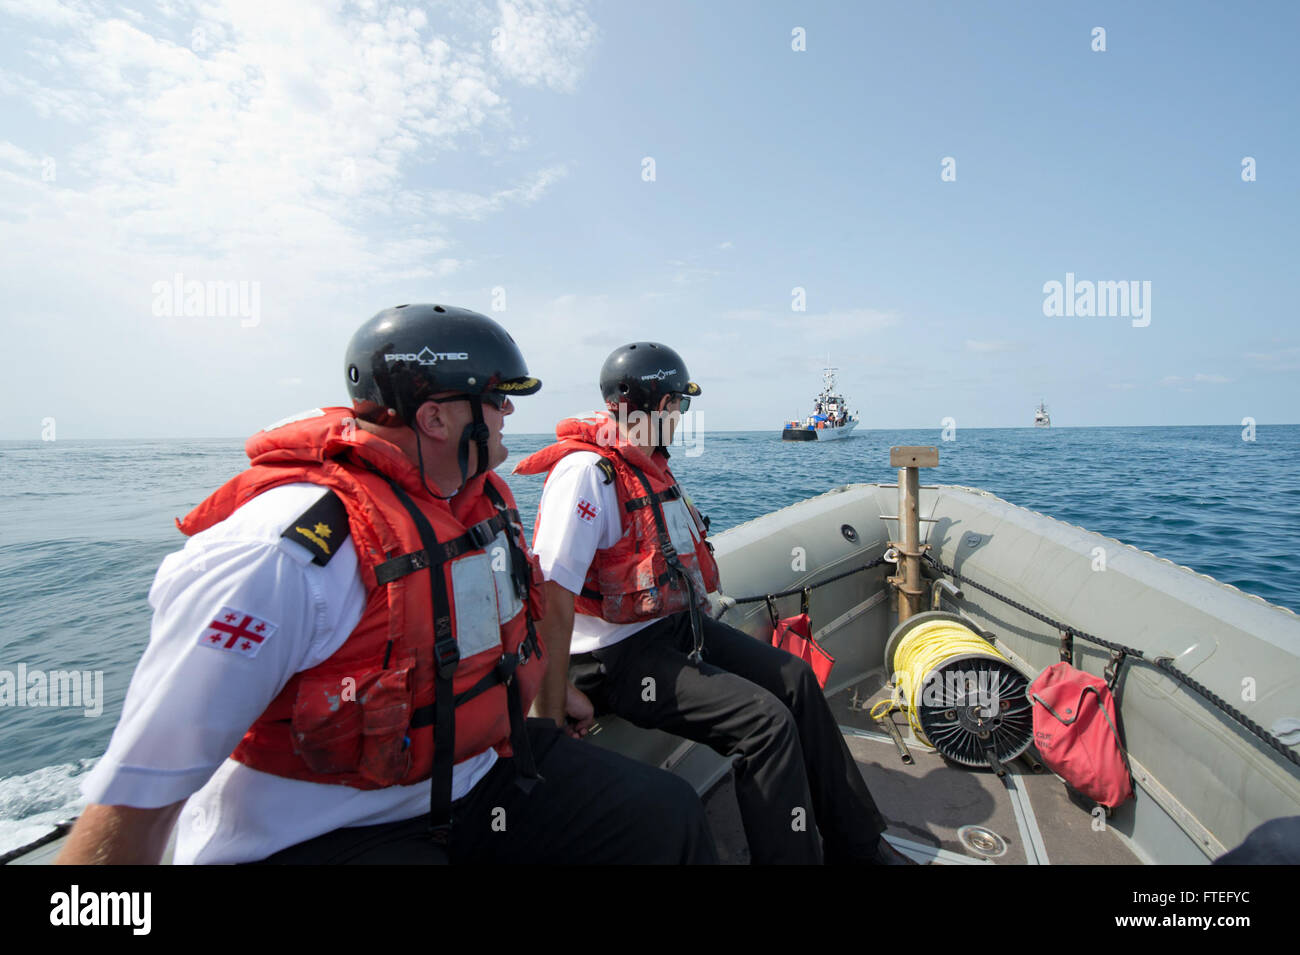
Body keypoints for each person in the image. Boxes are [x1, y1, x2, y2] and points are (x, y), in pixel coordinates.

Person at [56, 307, 715, 865]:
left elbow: (497, 626)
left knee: (669, 814)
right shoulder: (280, 552)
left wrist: (550, 690)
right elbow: (138, 796)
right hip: (338, 829)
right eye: (495, 398)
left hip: (478, 774)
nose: (509, 411)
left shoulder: (476, 508)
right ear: (436, 418)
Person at [514, 342, 913, 864]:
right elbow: (552, 593)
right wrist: (550, 712)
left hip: (668, 629)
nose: (681, 416)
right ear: (662, 406)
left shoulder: (647, 465)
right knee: (765, 725)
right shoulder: (588, 473)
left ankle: (858, 846)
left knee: (794, 679)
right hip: (612, 658)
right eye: (680, 405)